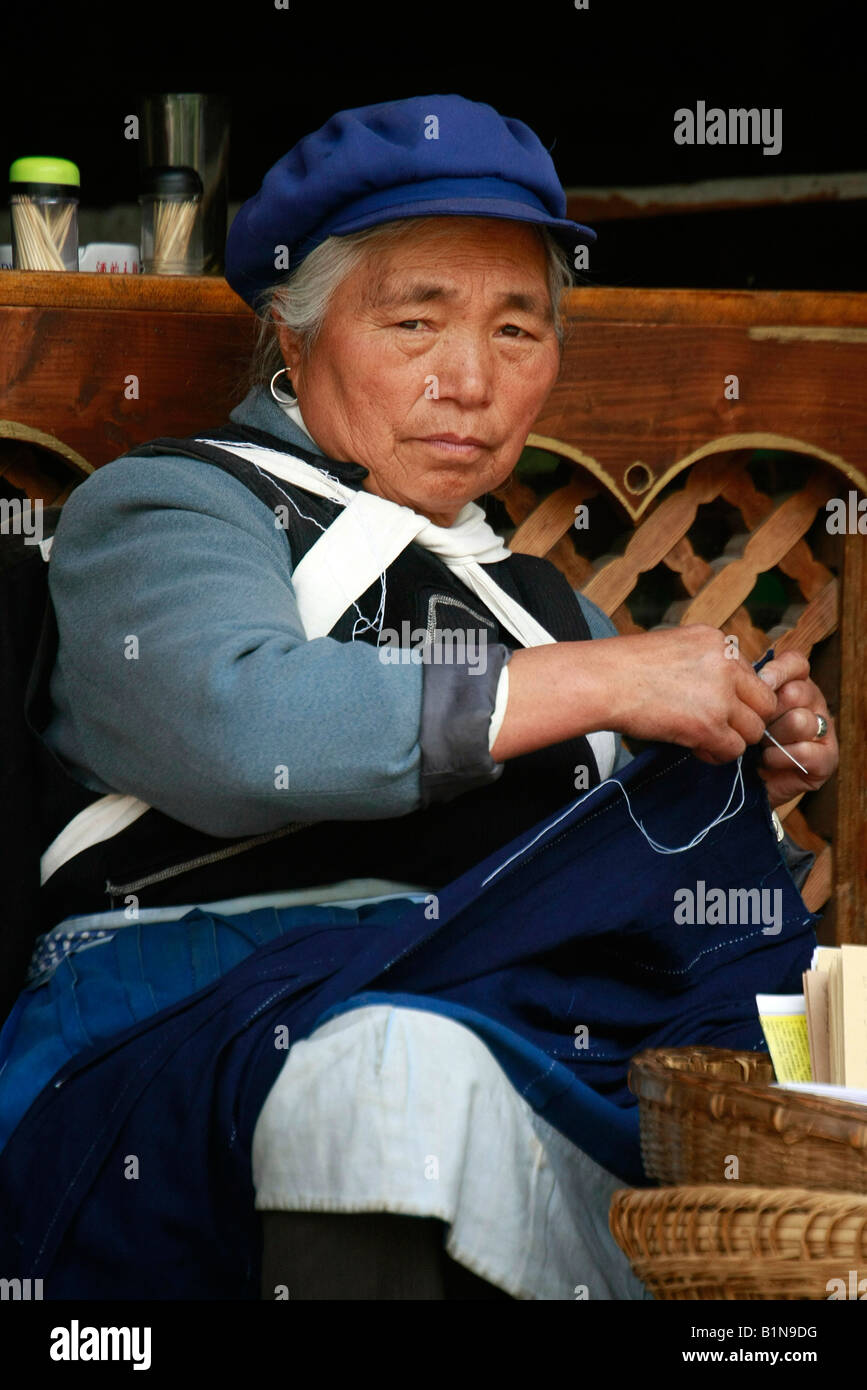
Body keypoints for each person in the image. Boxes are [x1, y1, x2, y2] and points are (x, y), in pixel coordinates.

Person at [0, 94, 837, 1300]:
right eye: (415, 322)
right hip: (187, 1019)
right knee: (392, 1071)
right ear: (294, 338)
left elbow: (598, 849)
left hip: (515, 1016)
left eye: (517, 330)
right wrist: (602, 678)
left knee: (798, 1080)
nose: (471, 380)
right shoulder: (175, 511)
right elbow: (241, 728)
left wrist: (724, 763)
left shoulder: (540, 599)